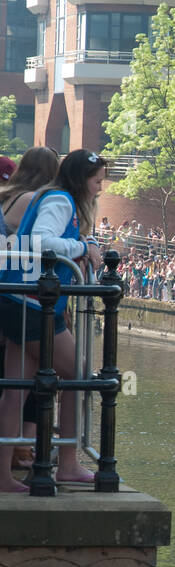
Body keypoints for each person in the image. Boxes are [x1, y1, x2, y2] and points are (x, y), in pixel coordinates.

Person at [0, 149, 107, 493]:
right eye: (97, 181)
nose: (100, 189)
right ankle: (69, 464)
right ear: (80, 180)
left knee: (15, 393)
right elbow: (38, 240)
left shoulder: (52, 197)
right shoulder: (61, 200)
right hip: (35, 305)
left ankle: (2, 476)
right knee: (77, 374)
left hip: (20, 301)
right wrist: (80, 247)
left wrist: (83, 241)